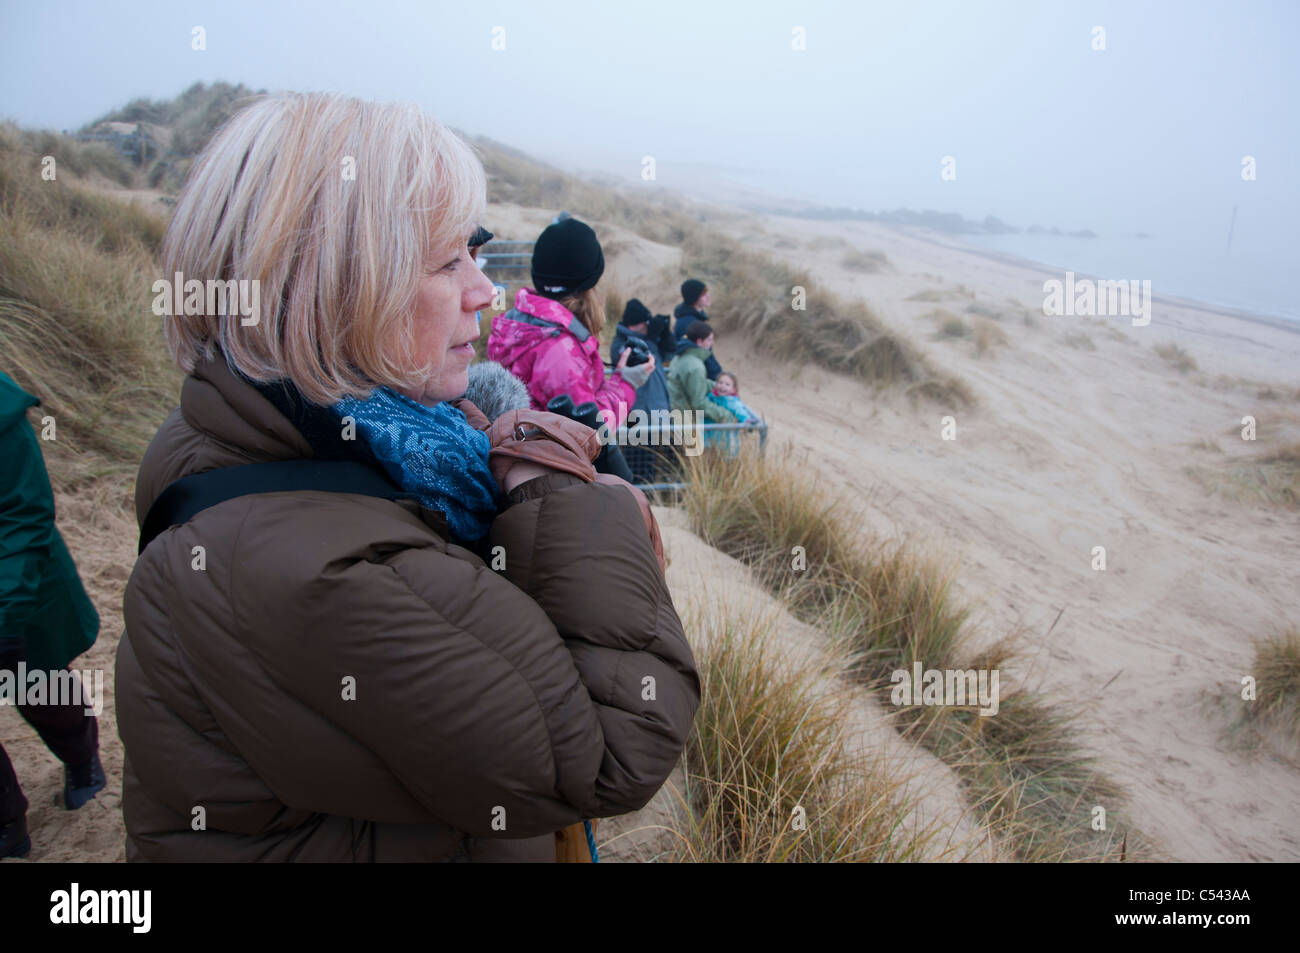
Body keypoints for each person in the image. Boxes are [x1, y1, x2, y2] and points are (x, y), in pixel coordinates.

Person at [117, 92, 699, 862]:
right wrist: (551, 484)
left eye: (477, 252)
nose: (483, 290)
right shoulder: (318, 570)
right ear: (338, 292)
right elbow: (611, 744)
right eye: (446, 260)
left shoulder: (293, 434)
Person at [1, 371, 105, 859]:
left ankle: (82, 757)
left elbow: (23, 514)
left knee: (39, 688)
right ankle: (6, 822)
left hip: (18, 584)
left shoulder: (3, 418)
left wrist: (5, 614)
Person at [487, 218, 652, 430]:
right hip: (548, 460)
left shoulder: (514, 322)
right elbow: (588, 431)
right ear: (590, 282)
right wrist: (626, 384)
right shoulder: (561, 350)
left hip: (516, 454)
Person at [609, 299, 675, 482]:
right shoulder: (620, 343)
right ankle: (638, 497)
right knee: (638, 460)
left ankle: (655, 496)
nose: (648, 326)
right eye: (646, 323)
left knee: (657, 459)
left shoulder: (647, 340)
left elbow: (670, 353)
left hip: (658, 409)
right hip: (637, 412)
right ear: (635, 324)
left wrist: (665, 333)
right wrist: (652, 338)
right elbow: (641, 359)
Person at [668, 321, 736, 429]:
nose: (712, 343)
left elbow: (691, 383)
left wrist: (717, 386)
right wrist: (727, 416)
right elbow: (699, 403)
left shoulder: (679, 357)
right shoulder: (696, 366)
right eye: (709, 339)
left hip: (673, 411)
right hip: (683, 419)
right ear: (699, 341)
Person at [672, 278, 721, 381]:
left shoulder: (694, 319)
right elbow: (701, 354)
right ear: (694, 298)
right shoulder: (689, 323)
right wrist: (717, 377)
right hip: (697, 378)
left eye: (707, 292)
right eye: (703, 294)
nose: (708, 296)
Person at [705, 371, 763, 454]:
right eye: (720, 382)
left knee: (722, 455)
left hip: (723, 437)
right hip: (709, 435)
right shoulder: (711, 396)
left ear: (733, 389)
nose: (722, 386)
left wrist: (747, 421)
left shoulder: (731, 401)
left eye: (727, 384)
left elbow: (740, 411)